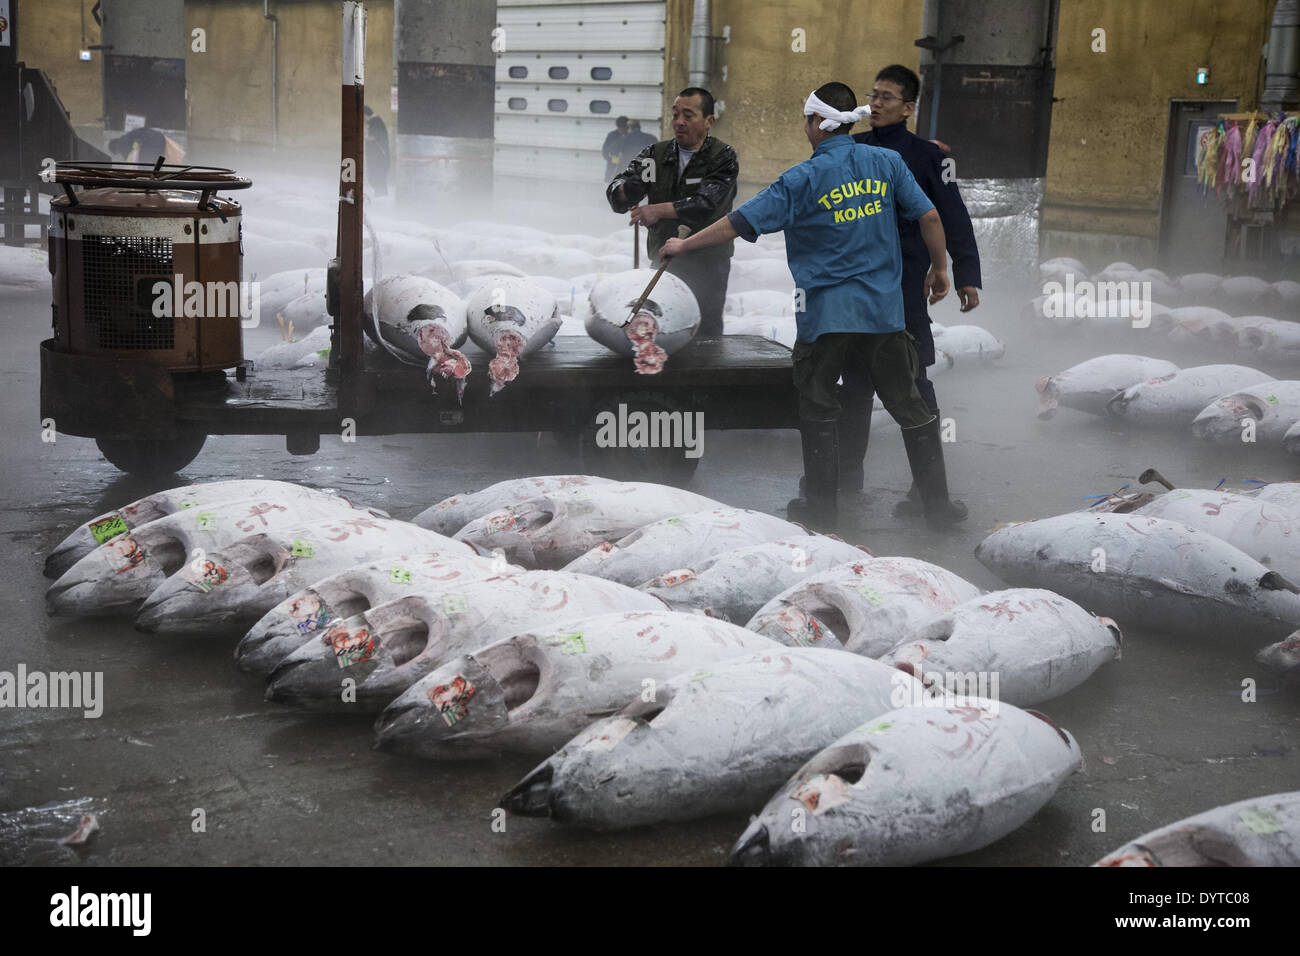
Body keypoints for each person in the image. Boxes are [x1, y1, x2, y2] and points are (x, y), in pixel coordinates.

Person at [658, 82, 966, 530]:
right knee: (911, 407)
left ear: (817, 123)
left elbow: (736, 223)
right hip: (883, 315)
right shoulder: (886, 162)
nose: (805, 127)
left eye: (806, 119)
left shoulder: (799, 180)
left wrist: (684, 247)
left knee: (819, 406)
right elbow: (931, 216)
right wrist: (941, 270)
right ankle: (939, 508)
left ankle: (821, 509)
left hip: (825, 318)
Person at [842, 64, 981, 515]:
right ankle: (845, 485)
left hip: (904, 287)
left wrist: (965, 274)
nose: (875, 103)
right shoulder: (850, 147)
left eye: (886, 97)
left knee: (915, 384)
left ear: (908, 107)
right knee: (856, 384)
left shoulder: (927, 156)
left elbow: (951, 216)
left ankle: (927, 493)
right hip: (855, 286)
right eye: (873, 94)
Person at [605, 88, 738, 337]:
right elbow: (617, 188)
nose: (679, 122)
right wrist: (625, 191)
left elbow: (706, 204)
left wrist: (658, 210)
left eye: (688, 115)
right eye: (675, 114)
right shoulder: (656, 155)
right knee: (662, 328)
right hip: (662, 259)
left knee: (703, 332)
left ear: (709, 121)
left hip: (707, 263)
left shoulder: (722, 157)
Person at [365, 106, 391, 196]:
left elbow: (373, 138)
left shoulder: (375, 122)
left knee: (378, 179)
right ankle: (381, 195)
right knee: (380, 180)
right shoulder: (377, 121)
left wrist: (365, 139)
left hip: (378, 157)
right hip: (380, 156)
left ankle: (380, 196)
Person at [602, 116, 630, 181]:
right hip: (612, 169)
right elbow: (605, 152)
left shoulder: (631, 136)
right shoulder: (612, 135)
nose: (622, 130)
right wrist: (615, 160)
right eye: (620, 128)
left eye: (624, 128)